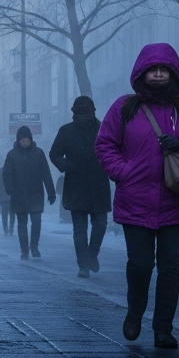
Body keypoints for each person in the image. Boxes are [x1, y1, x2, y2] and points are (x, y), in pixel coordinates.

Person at [96, 43, 179, 350]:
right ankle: (135, 312)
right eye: (153, 70)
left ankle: (163, 328)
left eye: (164, 70)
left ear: (174, 74)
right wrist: (122, 172)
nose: (159, 75)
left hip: (176, 198)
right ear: (142, 74)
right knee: (139, 264)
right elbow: (105, 144)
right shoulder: (125, 107)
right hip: (135, 199)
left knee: (170, 267)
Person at [50, 95, 112, 278]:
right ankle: (83, 264)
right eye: (82, 113)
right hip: (76, 185)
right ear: (75, 113)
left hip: (98, 184)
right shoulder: (66, 131)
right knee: (80, 229)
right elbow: (54, 153)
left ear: (93, 111)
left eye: (88, 112)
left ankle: (92, 254)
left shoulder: (104, 130)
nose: (85, 115)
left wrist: (109, 166)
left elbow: (114, 151)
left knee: (100, 225)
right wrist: (66, 166)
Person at [3, 126, 55, 260]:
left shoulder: (38, 153)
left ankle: (34, 246)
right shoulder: (12, 155)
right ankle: (24, 250)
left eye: (27, 140)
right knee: (22, 223)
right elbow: (7, 174)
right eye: (23, 140)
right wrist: (9, 188)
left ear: (31, 140)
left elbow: (46, 173)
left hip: (35, 193)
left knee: (36, 221)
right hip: (18, 194)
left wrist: (51, 192)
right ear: (18, 140)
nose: (25, 142)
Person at [0, 165, 14, 235]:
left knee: (4, 213)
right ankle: (11, 229)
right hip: (13, 195)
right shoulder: (15, 170)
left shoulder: (0, 171)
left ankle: (5, 229)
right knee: (12, 213)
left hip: (3, 195)